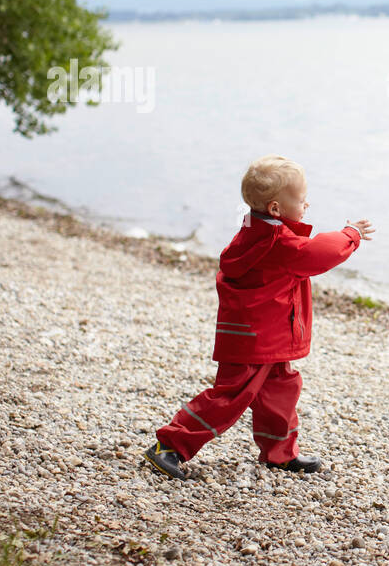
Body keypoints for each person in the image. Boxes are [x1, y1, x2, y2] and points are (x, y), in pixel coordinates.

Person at [144, 154, 374, 478]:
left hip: (264, 334)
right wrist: (350, 234)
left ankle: (279, 453)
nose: (307, 204)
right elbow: (319, 253)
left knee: (281, 389)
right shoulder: (278, 244)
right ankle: (168, 446)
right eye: (301, 200)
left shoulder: (254, 228)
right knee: (229, 396)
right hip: (257, 337)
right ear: (277, 209)